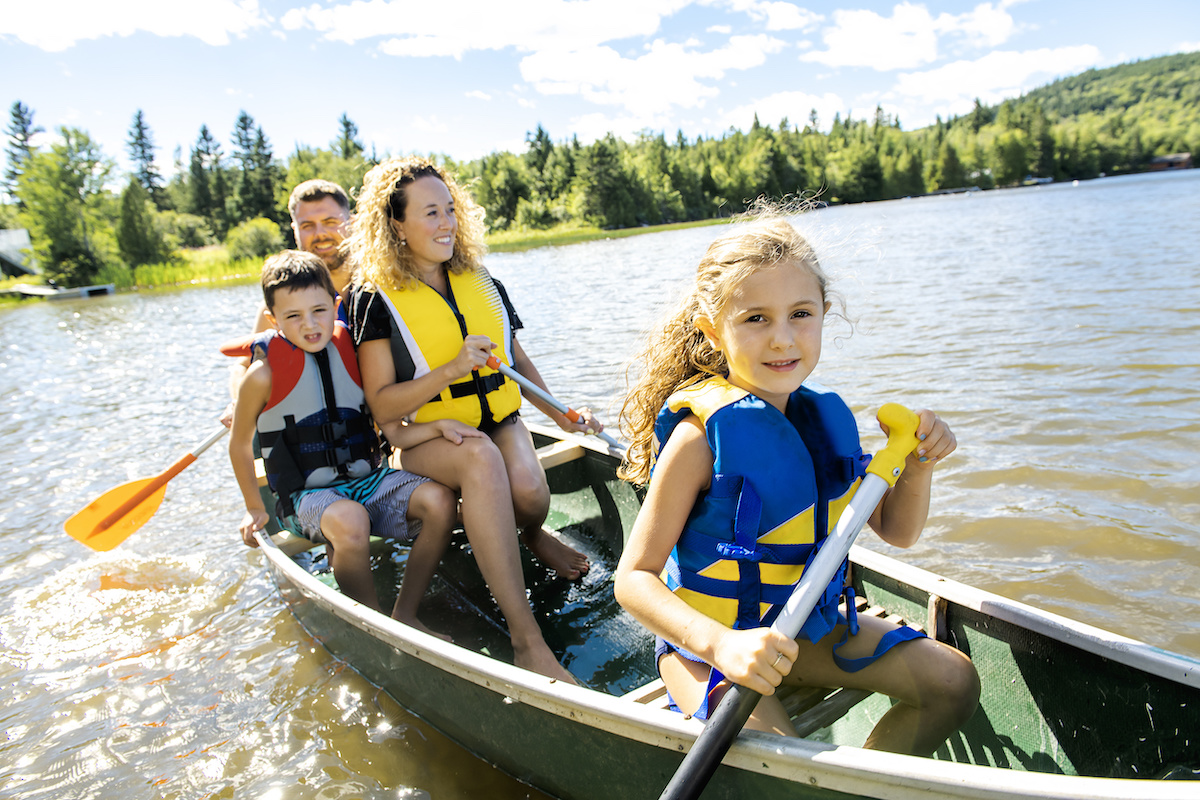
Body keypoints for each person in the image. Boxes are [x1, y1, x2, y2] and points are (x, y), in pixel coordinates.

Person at [612, 215, 979, 754]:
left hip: (806, 630)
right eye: (756, 318)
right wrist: (721, 644)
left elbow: (898, 531)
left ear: (823, 316)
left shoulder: (824, 419)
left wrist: (920, 465)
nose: (782, 338)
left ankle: (857, 789)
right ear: (713, 331)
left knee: (954, 682)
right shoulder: (698, 440)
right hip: (710, 649)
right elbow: (633, 579)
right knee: (782, 760)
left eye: (800, 314)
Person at [345, 156, 593, 682]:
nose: (446, 223)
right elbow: (383, 405)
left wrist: (563, 416)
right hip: (427, 437)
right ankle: (527, 640)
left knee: (530, 494)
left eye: (450, 209)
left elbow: (519, 362)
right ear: (396, 225)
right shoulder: (373, 299)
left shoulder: (481, 279)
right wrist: (453, 367)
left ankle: (528, 534)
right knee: (480, 460)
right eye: (430, 212)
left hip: (498, 420)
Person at [228, 250, 459, 637]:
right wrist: (254, 508)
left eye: (319, 311)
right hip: (305, 497)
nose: (311, 325)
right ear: (272, 320)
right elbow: (239, 445)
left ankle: (405, 613)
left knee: (440, 502)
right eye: (294, 317)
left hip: (369, 480)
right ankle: (374, 624)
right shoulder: (262, 375)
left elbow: (389, 419)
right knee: (350, 520)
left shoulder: (353, 350)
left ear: (336, 305)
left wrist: (437, 428)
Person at [221, 179, 355, 426]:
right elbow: (242, 367)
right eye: (307, 225)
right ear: (295, 230)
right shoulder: (279, 306)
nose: (320, 234)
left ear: (351, 222)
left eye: (330, 222)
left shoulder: (378, 287)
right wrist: (241, 402)